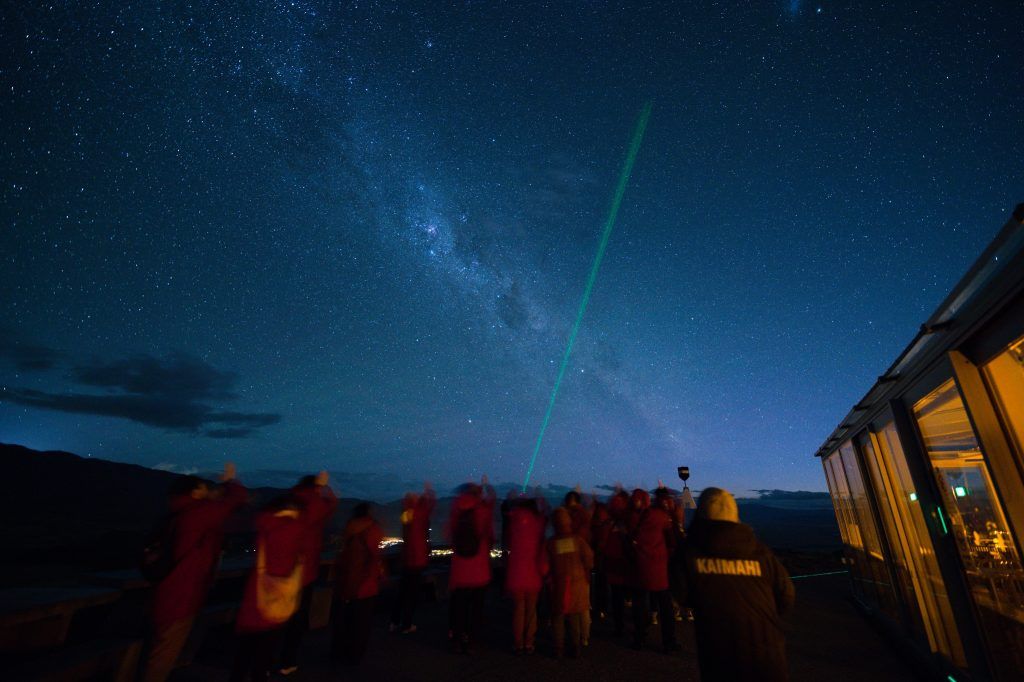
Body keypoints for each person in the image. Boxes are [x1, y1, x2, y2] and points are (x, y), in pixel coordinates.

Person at [674, 487, 795, 681]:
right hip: (769, 657)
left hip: (719, 658)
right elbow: (786, 595)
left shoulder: (689, 554)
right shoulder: (760, 552)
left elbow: (681, 593)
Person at [141, 463, 247, 682]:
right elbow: (235, 499)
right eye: (203, 487)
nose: (208, 489)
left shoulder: (180, 513)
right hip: (180, 597)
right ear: (195, 492)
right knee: (161, 657)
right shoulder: (195, 515)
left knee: (159, 652)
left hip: (168, 593)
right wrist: (229, 482)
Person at [231, 495, 305, 682]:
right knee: (263, 655)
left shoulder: (265, 526)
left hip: (256, 595)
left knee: (244, 654)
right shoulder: (290, 529)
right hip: (275, 602)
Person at [279, 471, 338, 675]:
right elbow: (330, 505)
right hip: (303, 572)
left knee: (279, 617)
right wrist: (323, 488)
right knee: (295, 619)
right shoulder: (312, 503)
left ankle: (268, 659)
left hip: (281, 569)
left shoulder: (289, 500)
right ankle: (286, 661)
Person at [448, 475, 496, 653]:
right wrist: (487, 486)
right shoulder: (482, 509)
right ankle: (471, 640)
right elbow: (490, 533)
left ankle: (456, 637)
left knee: (459, 605)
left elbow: (448, 533)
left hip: (460, 570)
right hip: (479, 569)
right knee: (476, 607)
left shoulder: (455, 508)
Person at [331, 502, 384, 666]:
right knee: (361, 623)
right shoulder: (372, 529)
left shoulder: (349, 528)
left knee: (345, 619)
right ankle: (355, 656)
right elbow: (375, 555)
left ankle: (340, 651)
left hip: (346, 582)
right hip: (365, 585)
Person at [630, 487, 678, 652]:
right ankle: (669, 641)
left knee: (640, 603)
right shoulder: (663, 517)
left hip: (641, 564)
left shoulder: (638, 516)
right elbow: (671, 539)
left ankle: (639, 638)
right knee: (665, 605)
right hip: (659, 565)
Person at [546, 507, 593, 659]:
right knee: (574, 617)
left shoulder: (551, 543)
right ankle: (575, 647)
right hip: (577, 584)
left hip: (559, 584)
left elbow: (544, 564)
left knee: (558, 618)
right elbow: (589, 557)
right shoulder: (577, 540)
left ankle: (558, 648)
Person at [389, 482, 436, 634]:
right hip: (416, 560)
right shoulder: (418, 513)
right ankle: (406, 625)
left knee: (402, 592)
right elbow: (430, 506)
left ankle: (394, 621)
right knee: (411, 594)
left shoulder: (406, 514)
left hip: (406, 559)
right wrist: (427, 491)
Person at [504, 495, 548, 655]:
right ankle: (529, 643)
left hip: (516, 573)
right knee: (531, 611)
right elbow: (546, 517)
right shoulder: (538, 522)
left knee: (518, 610)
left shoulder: (513, 521)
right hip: (533, 573)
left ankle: (518, 643)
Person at [561, 489, 593, 645]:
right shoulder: (584, 517)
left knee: (571, 605)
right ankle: (584, 637)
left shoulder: (564, 528)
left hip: (567, 569)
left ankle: (571, 638)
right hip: (581, 569)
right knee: (583, 605)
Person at [602, 489, 632, 636]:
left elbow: (604, 542)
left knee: (616, 595)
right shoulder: (629, 521)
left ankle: (619, 625)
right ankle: (629, 624)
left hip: (615, 562)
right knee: (621, 594)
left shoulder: (611, 523)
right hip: (624, 562)